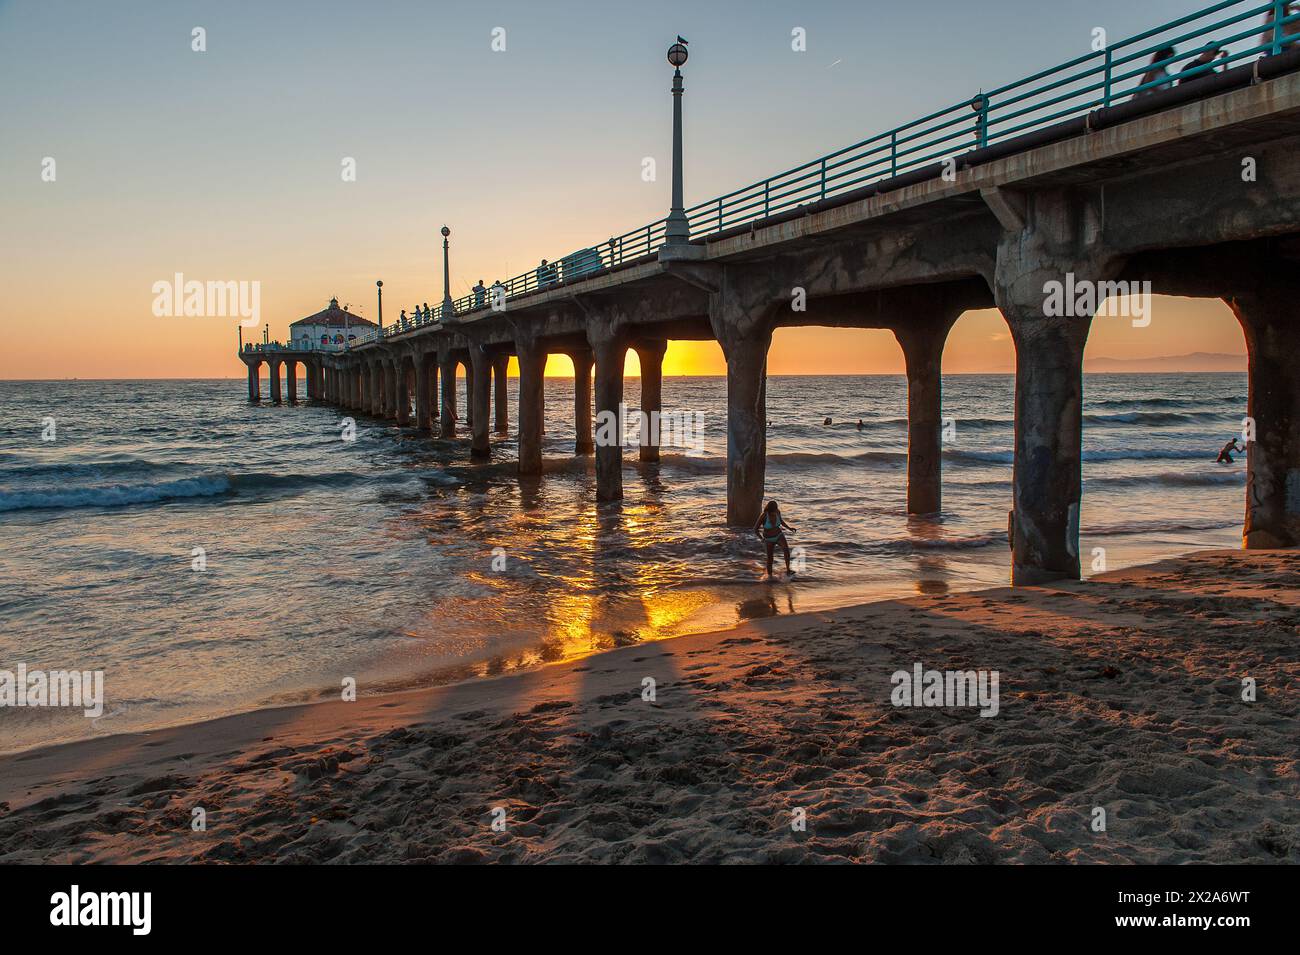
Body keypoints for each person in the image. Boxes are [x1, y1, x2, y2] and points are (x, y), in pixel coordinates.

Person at [754, 500, 797, 578]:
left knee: (786, 550)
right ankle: (770, 577)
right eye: (774, 510)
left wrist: (789, 528)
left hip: (779, 535)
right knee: (770, 559)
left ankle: (788, 570)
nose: (776, 511)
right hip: (768, 539)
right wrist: (761, 538)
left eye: (776, 509)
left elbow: (781, 521)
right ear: (770, 510)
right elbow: (755, 529)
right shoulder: (764, 516)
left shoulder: (777, 512)